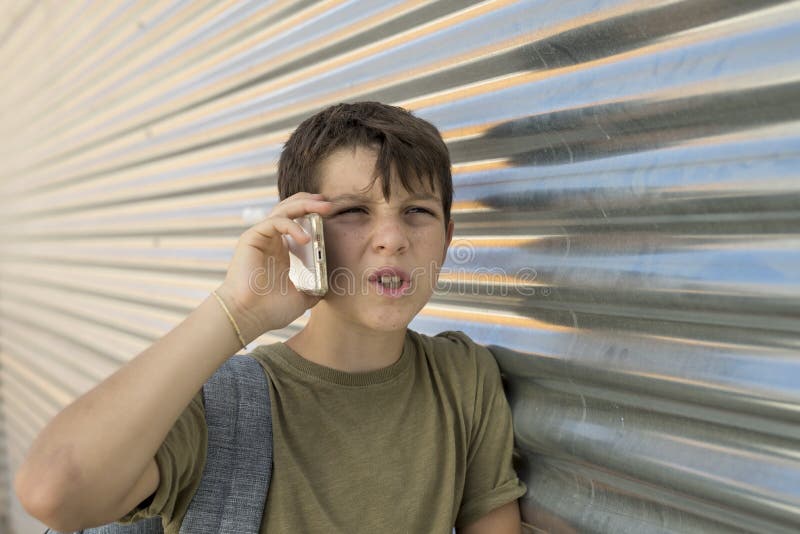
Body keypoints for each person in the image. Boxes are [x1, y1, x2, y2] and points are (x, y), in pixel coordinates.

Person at [15, 102, 527, 533]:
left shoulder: (462, 380)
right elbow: (54, 491)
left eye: (417, 211)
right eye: (353, 211)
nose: (392, 239)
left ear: (448, 237)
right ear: (300, 232)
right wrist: (235, 310)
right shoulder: (224, 407)